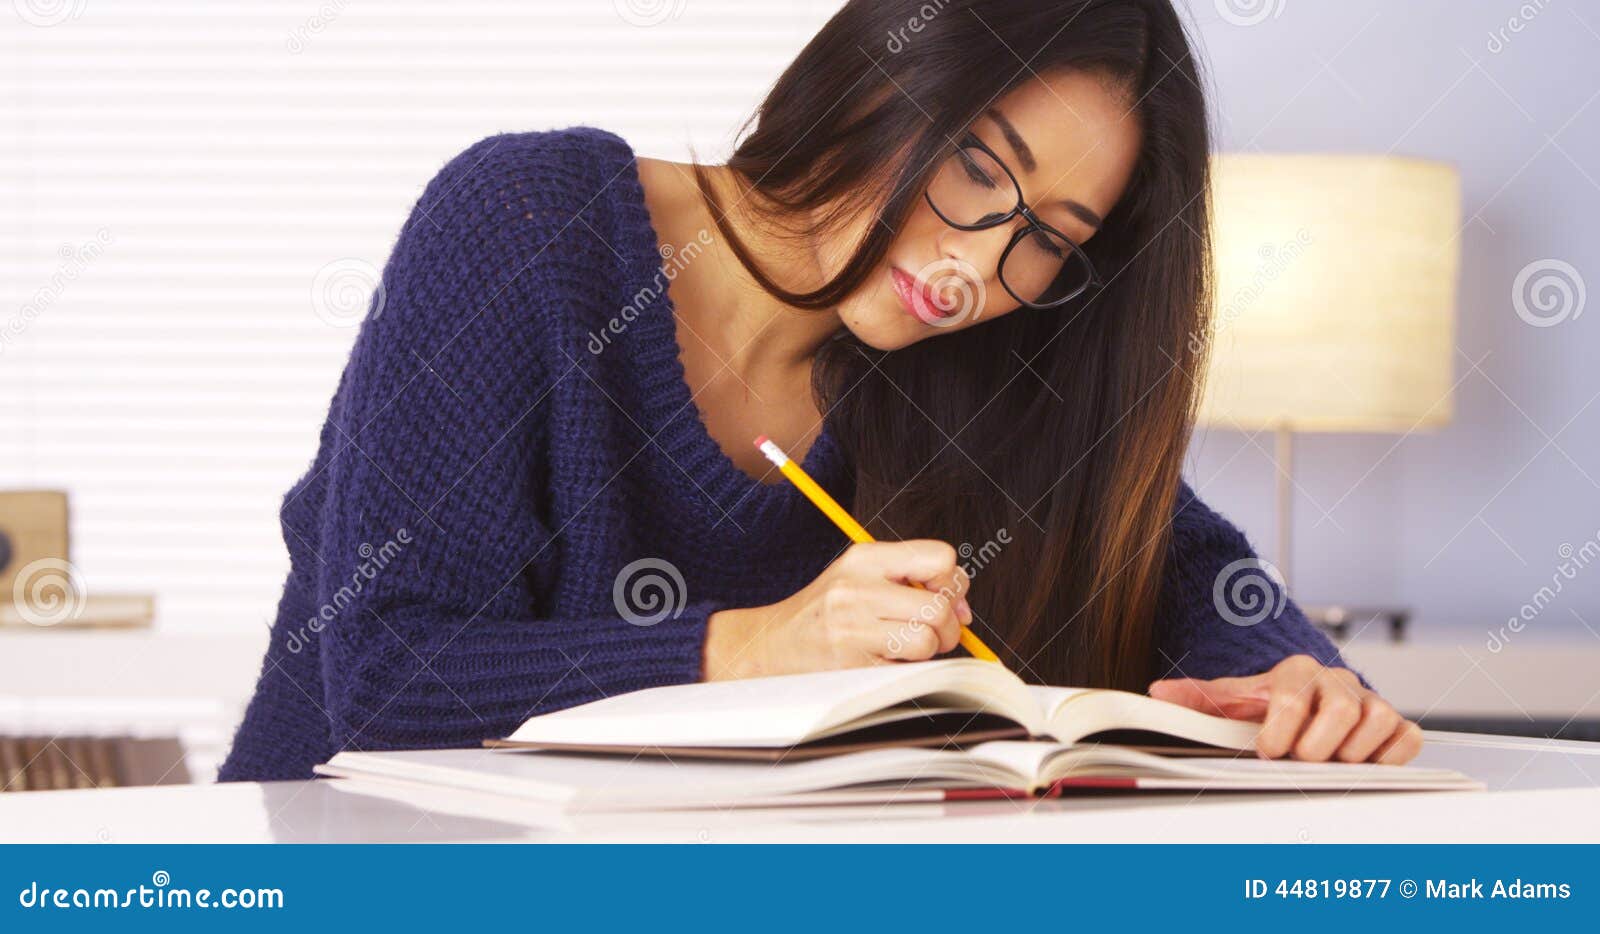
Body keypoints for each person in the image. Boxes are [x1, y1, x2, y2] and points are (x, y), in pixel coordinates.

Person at [219, 0, 1421, 782]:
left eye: (1049, 237)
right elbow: (386, 679)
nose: (974, 268)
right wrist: (758, 645)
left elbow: (1180, 564)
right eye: (972, 168)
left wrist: (1292, 677)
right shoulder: (527, 226)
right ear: (878, 73)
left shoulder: (971, 365)